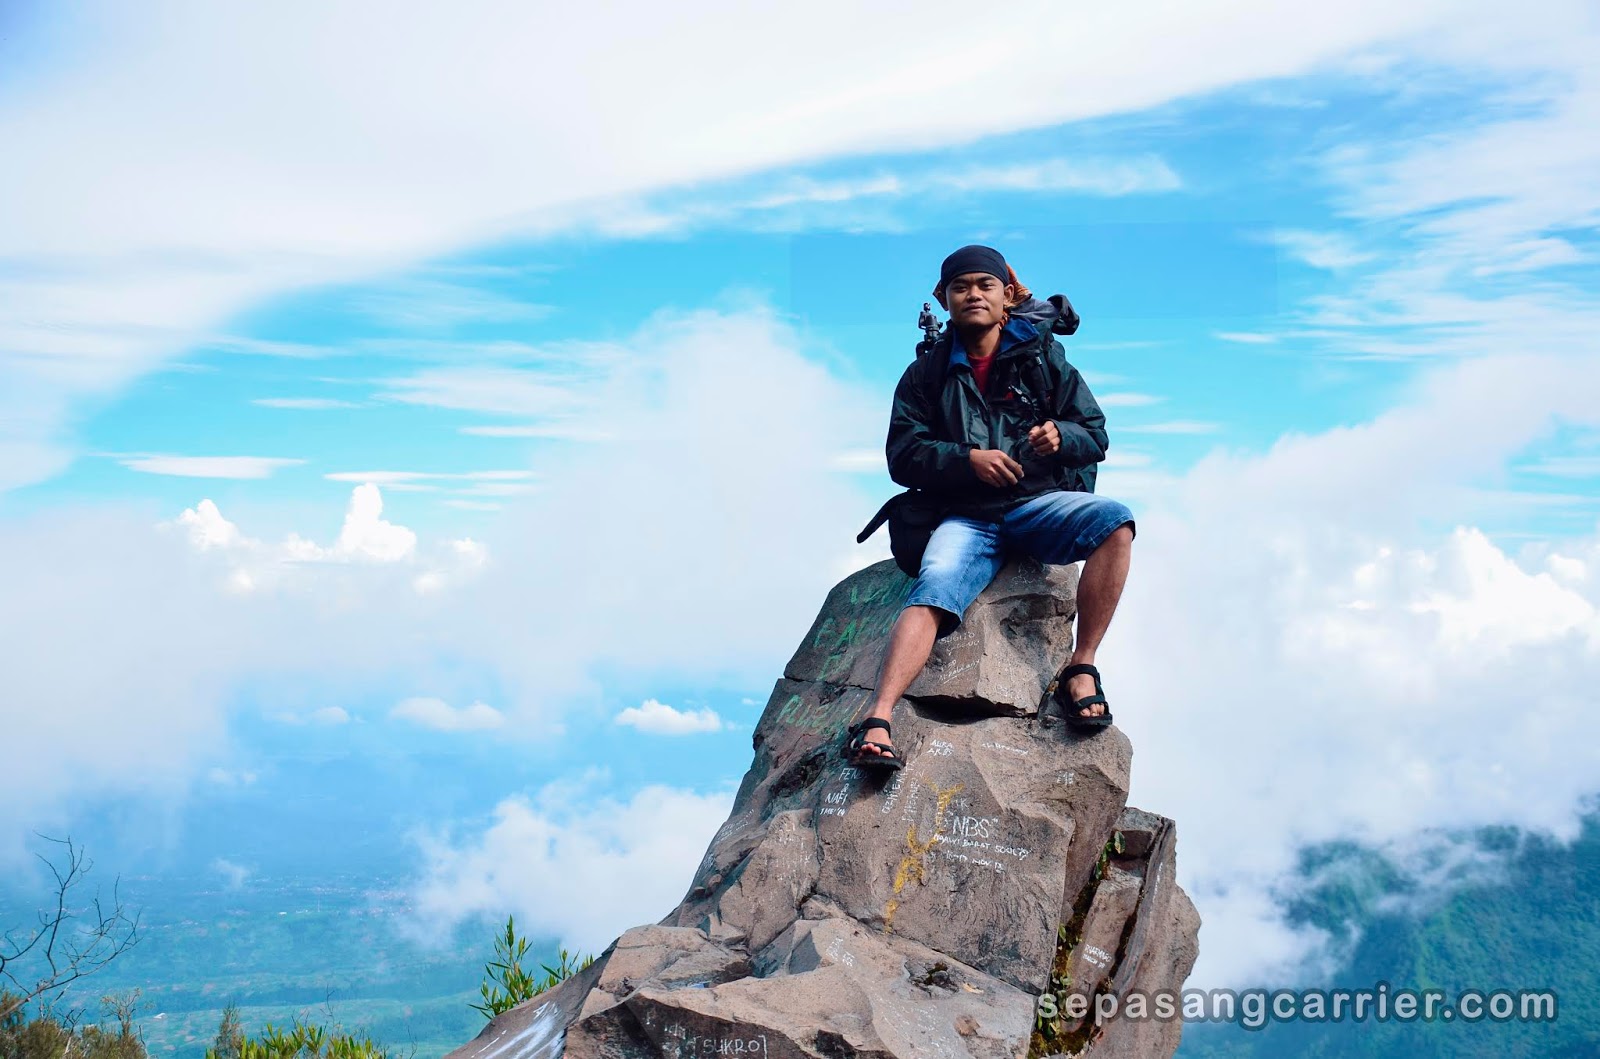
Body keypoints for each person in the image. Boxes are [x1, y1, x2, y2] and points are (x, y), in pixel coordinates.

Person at [844, 245, 1136, 770]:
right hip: (965, 516)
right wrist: (967, 461)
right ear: (945, 298)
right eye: (961, 287)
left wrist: (1061, 436)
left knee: (1116, 524)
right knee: (935, 587)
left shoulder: (1043, 359)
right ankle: (879, 717)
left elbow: (1095, 434)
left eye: (985, 284)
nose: (973, 294)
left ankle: (1081, 667)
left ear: (1007, 297)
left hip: (1037, 504)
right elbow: (903, 455)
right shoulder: (925, 375)